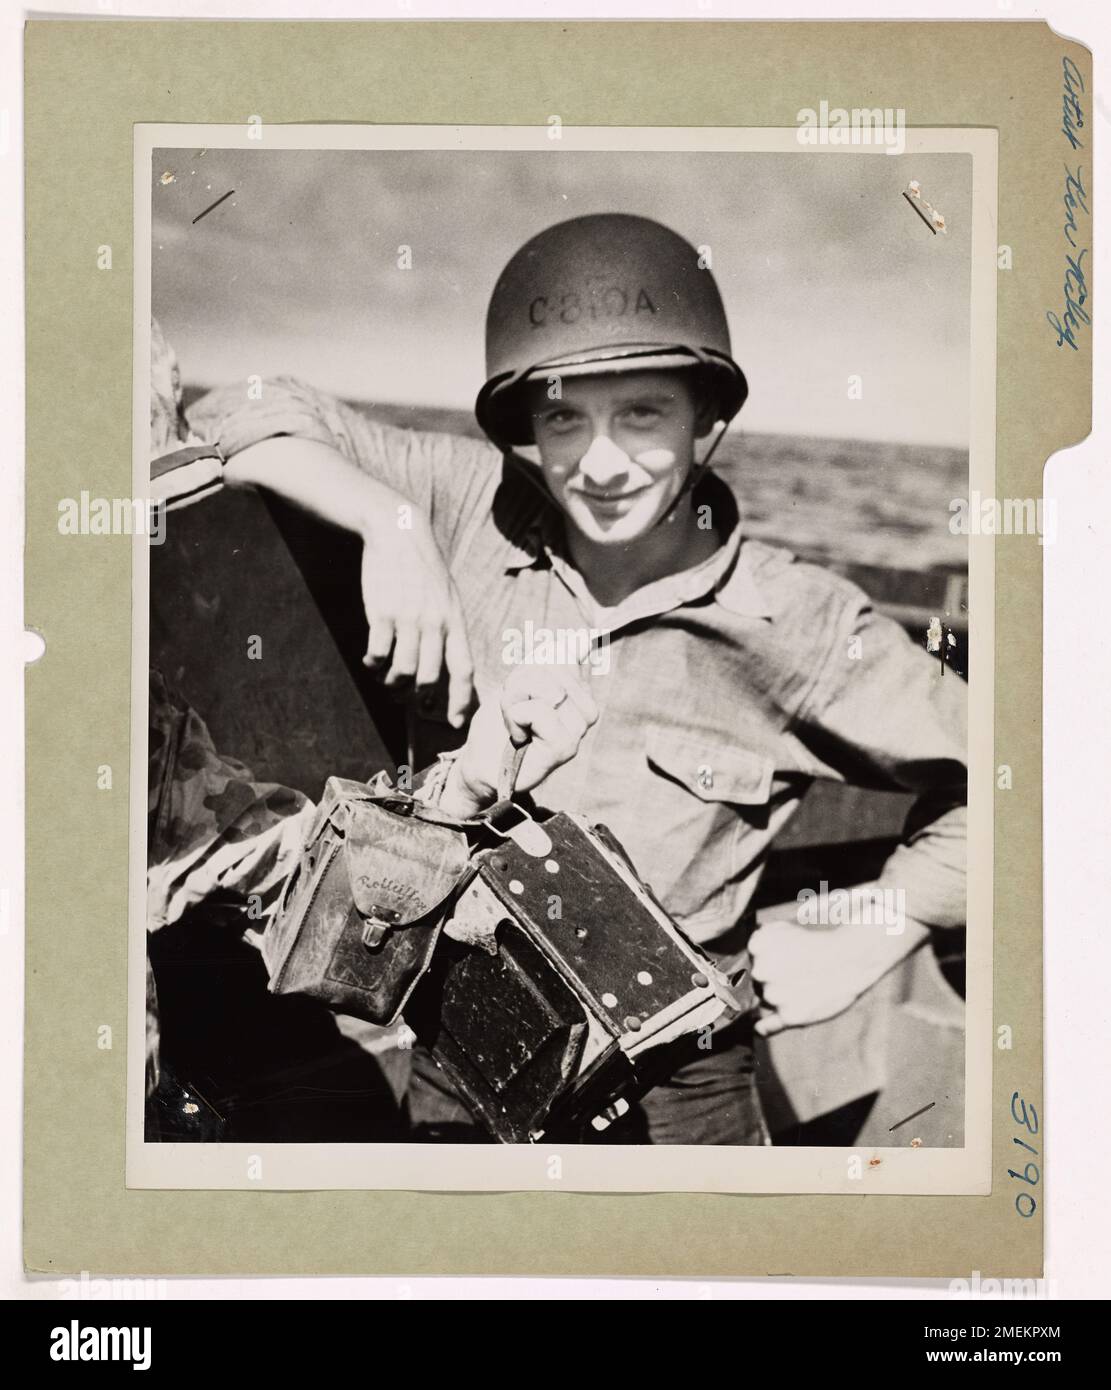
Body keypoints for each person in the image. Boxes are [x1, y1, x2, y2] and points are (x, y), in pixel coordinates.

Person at [186, 213, 967, 1144]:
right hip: (460, 1051)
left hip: (675, 1089)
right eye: (563, 416)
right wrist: (389, 523)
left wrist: (882, 924)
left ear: (705, 421)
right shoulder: (473, 506)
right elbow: (238, 406)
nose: (598, 465)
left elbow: (1028, 780)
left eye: (641, 413)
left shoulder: (799, 624)